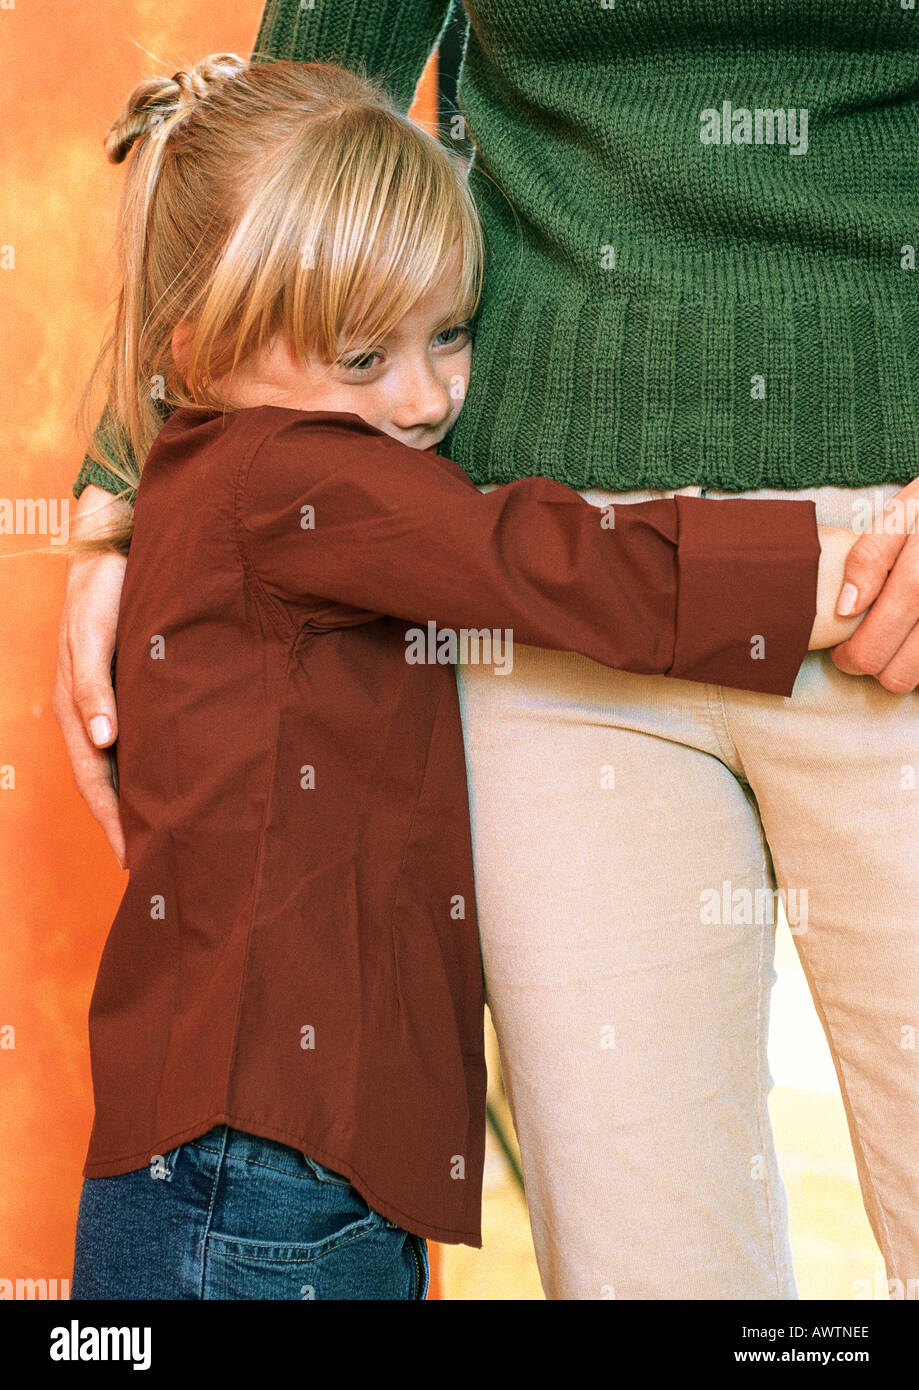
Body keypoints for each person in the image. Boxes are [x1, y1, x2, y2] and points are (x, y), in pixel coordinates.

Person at [56, 3, 919, 1300]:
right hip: (258, 1191)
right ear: (199, 338)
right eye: (366, 353)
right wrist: (817, 582)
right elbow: (537, 560)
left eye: (449, 334)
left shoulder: (259, 459)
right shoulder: (307, 478)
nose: (422, 403)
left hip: (271, 1180)